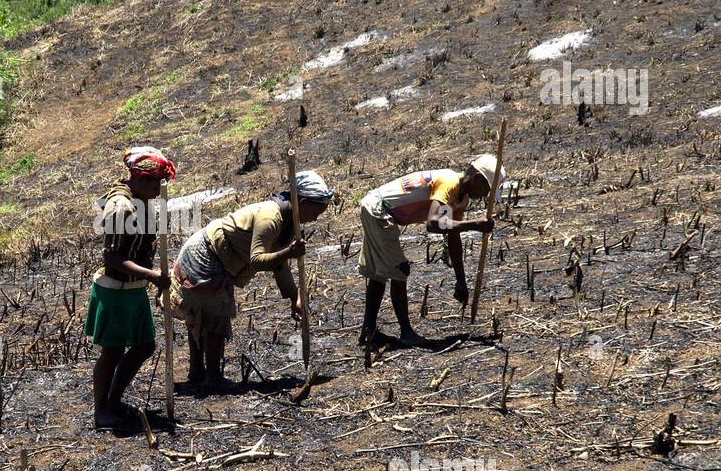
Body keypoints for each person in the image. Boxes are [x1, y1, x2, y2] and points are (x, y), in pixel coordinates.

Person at [171, 170, 335, 390]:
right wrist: (289, 253)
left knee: (208, 314)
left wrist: (294, 296)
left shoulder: (288, 221)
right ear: (303, 202)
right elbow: (257, 260)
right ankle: (211, 377)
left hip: (218, 258)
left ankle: (199, 371)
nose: (316, 218)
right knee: (215, 314)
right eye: (316, 212)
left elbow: (278, 264)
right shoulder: (270, 218)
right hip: (205, 254)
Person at [357, 154, 502, 347]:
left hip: (378, 209)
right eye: (486, 189)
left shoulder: (461, 198)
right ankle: (406, 332)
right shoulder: (449, 182)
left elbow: (452, 235)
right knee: (399, 270)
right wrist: (473, 224)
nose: (484, 195)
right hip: (379, 209)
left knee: (379, 274)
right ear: (476, 179)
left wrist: (460, 279)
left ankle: (368, 331)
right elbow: (433, 224)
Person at [85, 146, 176, 429]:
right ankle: (101, 411)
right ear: (137, 178)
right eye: (153, 181)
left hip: (134, 288)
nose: (157, 187)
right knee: (112, 351)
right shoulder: (120, 207)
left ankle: (114, 399)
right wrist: (151, 274)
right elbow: (111, 256)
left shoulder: (143, 201)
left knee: (145, 345)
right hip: (114, 291)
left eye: (160, 182)